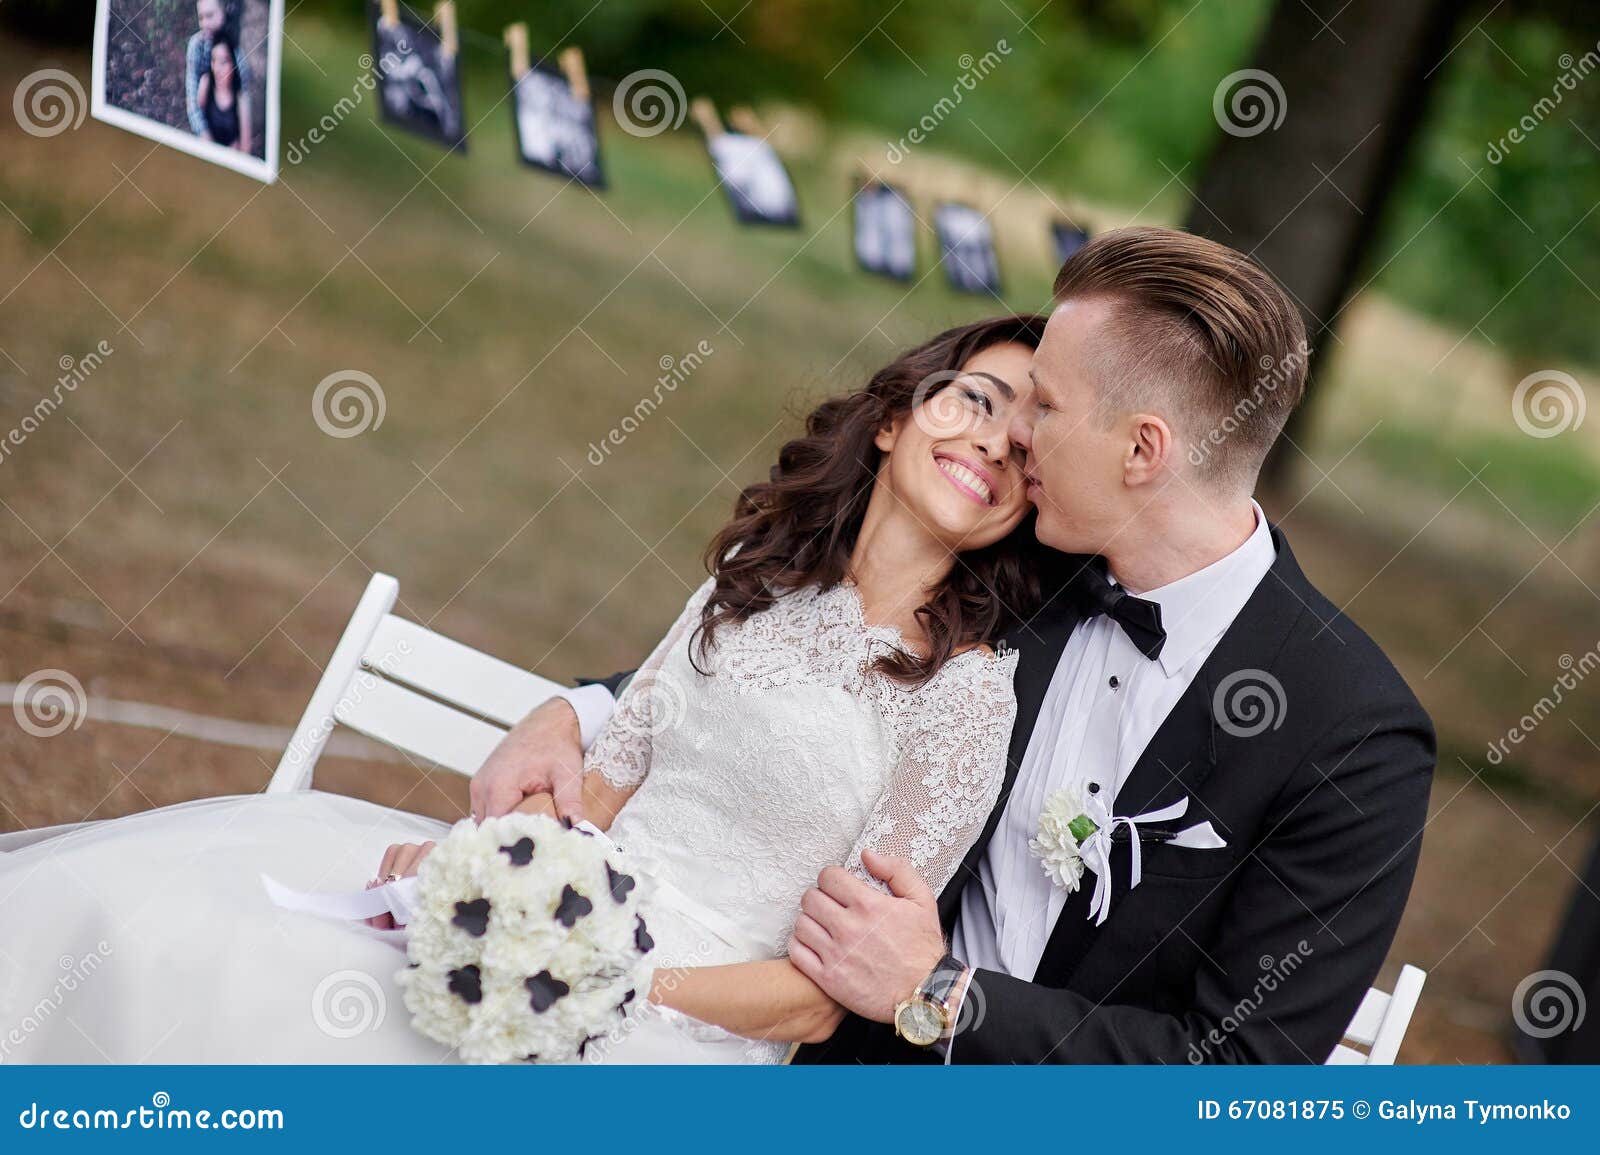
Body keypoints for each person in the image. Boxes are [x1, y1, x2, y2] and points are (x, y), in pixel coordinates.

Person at [475, 227, 1436, 1064]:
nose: (1010, 435)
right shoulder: (1026, 569)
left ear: (1143, 451)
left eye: (1045, 408)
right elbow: (793, 671)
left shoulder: (1349, 734)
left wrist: (942, 992)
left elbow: (1235, 1075)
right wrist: (572, 713)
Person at [0, 316, 1051, 1063]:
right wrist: (485, 877)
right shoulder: (759, 577)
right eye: (975, 402)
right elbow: (599, 793)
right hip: (558, 924)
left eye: (1023, 447)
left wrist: (608, 978)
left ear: (1025, 505)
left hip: (683, 1032)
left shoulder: (963, 698)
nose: (989, 447)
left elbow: (819, 1004)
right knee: (195, 926)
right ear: (893, 418)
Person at [185, 0, 252, 145]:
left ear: (223, 13)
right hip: (206, 134)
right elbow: (192, 101)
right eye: (201, 17)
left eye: (209, 16)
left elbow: (243, 99)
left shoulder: (236, 52)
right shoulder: (196, 45)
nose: (204, 24)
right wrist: (206, 137)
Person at [196, 34, 249, 153]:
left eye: (223, 62)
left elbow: (246, 147)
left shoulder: (241, 98)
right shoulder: (206, 83)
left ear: (233, 65)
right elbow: (198, 118)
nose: (217, 69)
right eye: (214, 60)